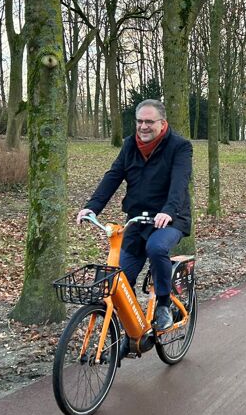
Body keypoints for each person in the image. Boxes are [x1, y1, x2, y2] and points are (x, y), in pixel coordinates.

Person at [76, 99, 192, 331]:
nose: (143, 126)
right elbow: (113, 175)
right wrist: (92, 207)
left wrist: (168, 212)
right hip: (136, 221)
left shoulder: (179, 146)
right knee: (120, 281)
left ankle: (163, 304)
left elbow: (179, 183)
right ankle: (125, 333)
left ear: (162, 123)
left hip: (169, 218)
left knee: (157, 248)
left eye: (149, 121)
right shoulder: (130, 145)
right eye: (139, 121)